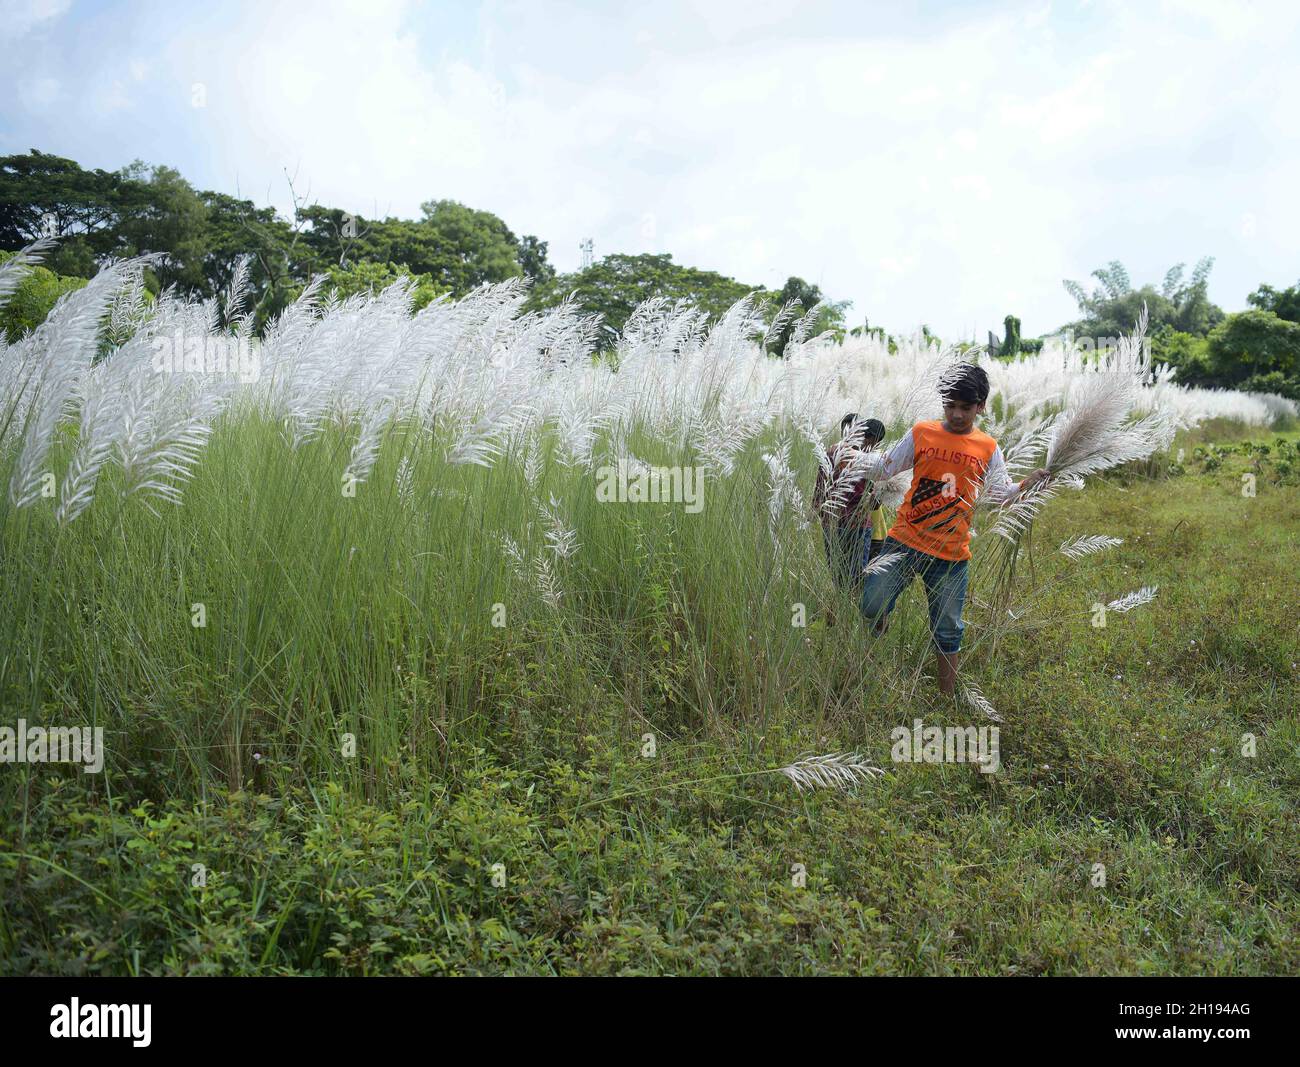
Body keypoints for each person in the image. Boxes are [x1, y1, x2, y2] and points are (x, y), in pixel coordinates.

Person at [859, 364, 1049, 695]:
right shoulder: (922, 432)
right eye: (950, 406)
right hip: (904, 542)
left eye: (966, 407)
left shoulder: (988, 447)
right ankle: (872, 662)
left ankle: (947, 697)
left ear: (981, 406)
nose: (957, 414)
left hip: (950, 554)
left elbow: (998, 494)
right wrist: (851, 455)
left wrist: (1025, 486)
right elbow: (884, 469)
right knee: (872, 604)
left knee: (947, 628)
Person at [812, 415, 886, 625]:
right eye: (874, 442)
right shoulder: (865, 460)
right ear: (867, 437)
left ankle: (835, 618)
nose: (874, 446)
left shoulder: (830, 453)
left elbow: (818, 494)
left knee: (838, 575)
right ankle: (842, 620)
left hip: (830, 524)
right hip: (857, 526)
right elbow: (873, 504)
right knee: (856, 580)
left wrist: (817, 514)